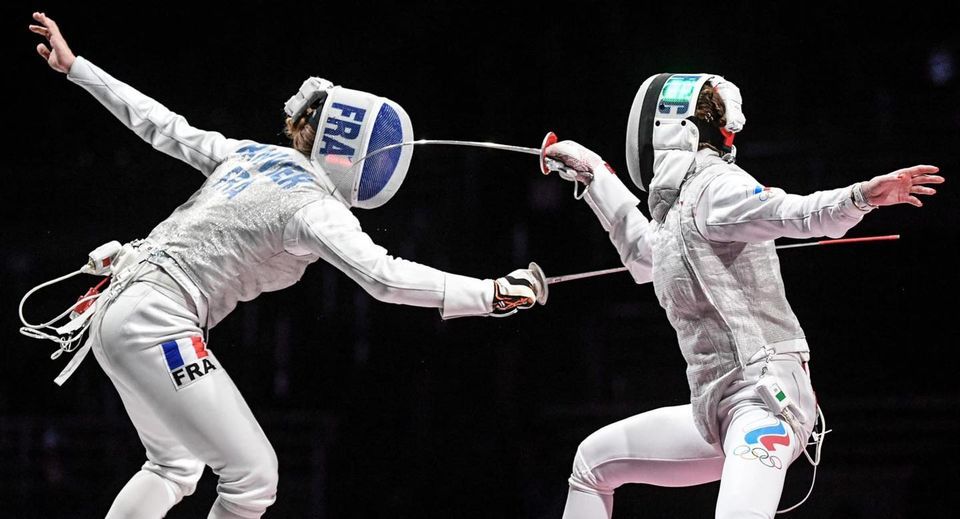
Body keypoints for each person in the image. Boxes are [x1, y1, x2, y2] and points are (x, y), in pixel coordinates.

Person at [28, 12, 546, 519]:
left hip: (117, 305)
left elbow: (164, 126)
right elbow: (385, 277)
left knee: (173, 466)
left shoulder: (253, 155)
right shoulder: (314, 207)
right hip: (156, 319)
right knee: (252, 479)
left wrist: (78, 67)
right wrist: (491, 293)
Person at [541, 72, 943, 518]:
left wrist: (860, 196)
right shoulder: (681, 210)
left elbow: (794, 212)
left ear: (669, 128)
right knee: (593, 461)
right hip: (716, 406)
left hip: (763, 403)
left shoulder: (716, 186)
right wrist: (593, 174)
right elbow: (645, 255)